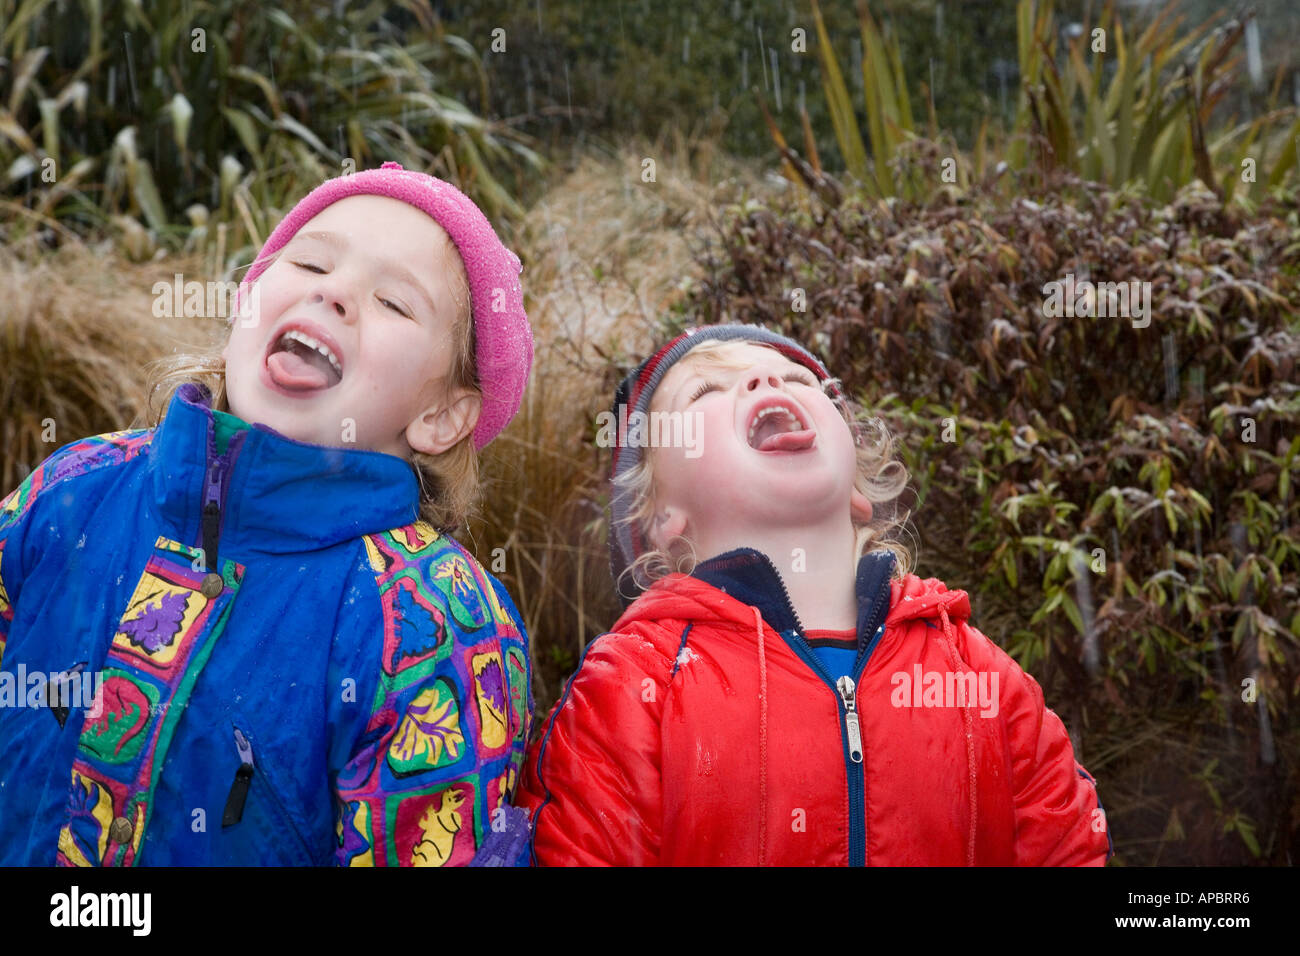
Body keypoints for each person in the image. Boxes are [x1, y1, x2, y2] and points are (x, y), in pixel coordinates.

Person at [0, 163, 535, 866]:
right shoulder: (75, 487)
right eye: (310, 260)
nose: (333, 291)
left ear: (441, 415)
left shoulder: (436, 623)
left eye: (395, 303)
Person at [518, 323, 1113, 866]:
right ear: (659, 519)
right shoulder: (628, 689)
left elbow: (1069, 851)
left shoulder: (977, 673)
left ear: (859, 489)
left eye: (800, 378)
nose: (767, 378)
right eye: (705, 393)